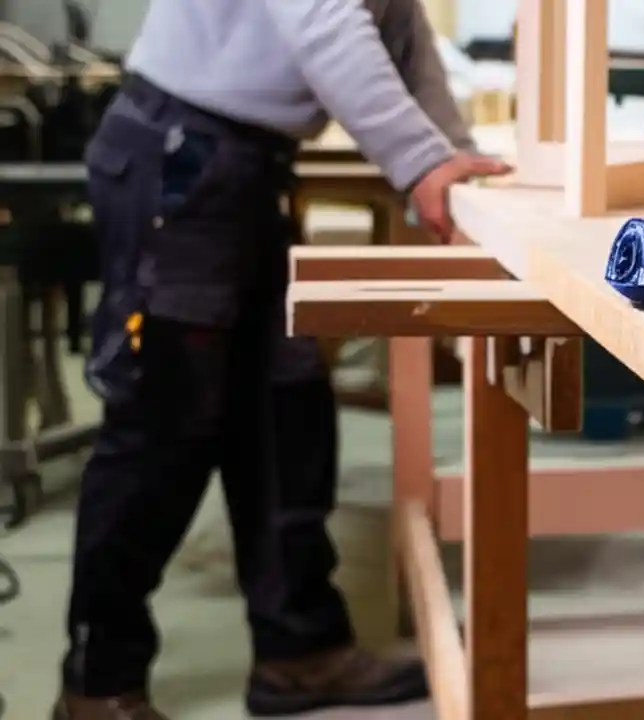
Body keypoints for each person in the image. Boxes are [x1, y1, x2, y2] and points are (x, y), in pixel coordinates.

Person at [55, 1, 511, 718]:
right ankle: (99, 679)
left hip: (246, 166)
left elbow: (400, 29)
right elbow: (323, 15)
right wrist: (423, 162)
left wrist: (454, 164)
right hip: (182, 154)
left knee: (284, 411)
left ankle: (300, 652)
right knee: (164, 427)